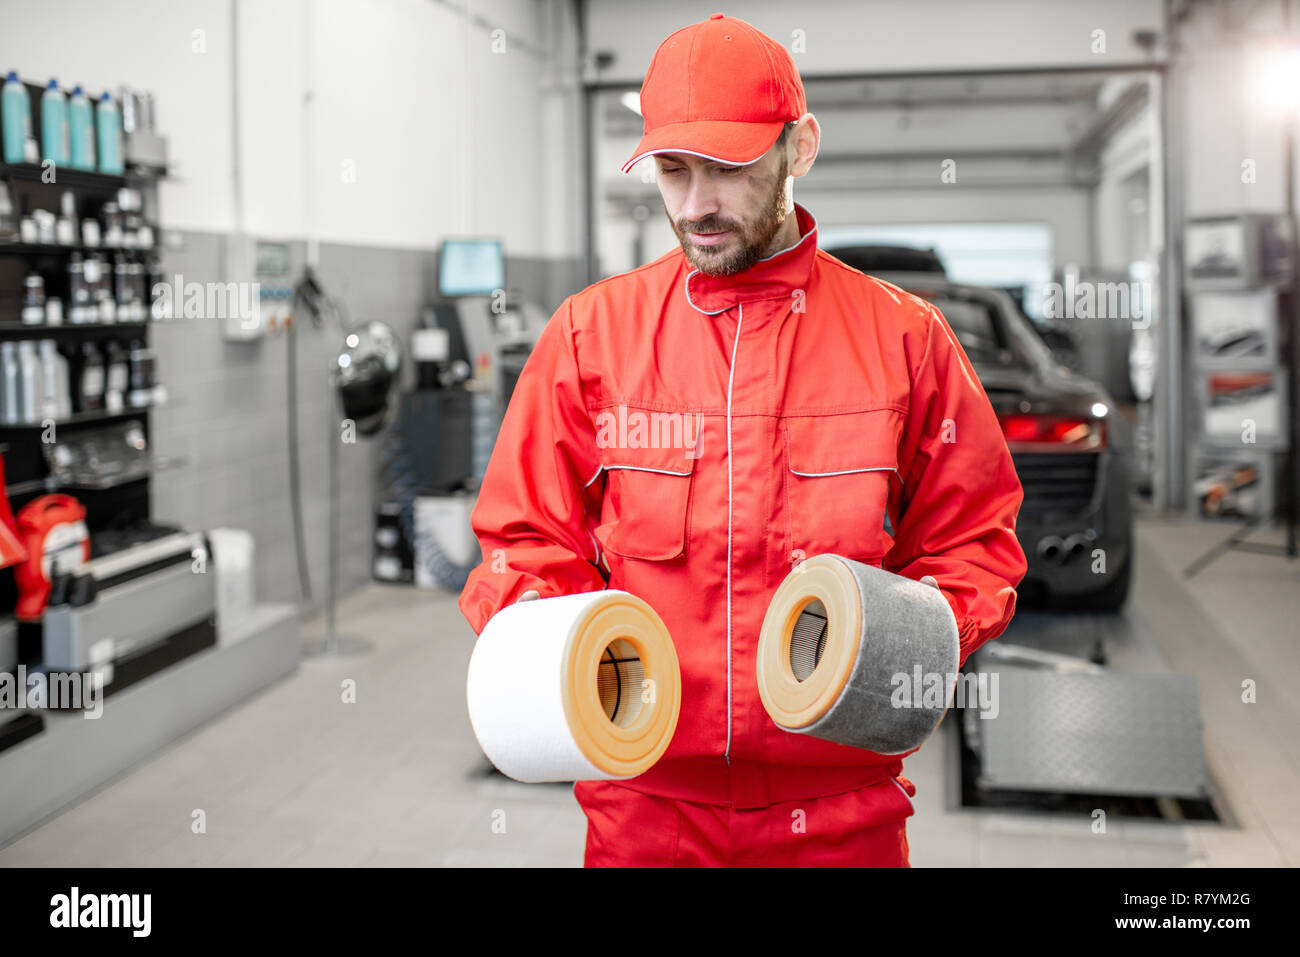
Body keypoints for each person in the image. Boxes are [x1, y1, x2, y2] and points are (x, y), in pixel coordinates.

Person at [458, 13, 1026, 867]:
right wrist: (553, 634)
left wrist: (896, 646)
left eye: (725, 169)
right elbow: (522, 538)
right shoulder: (592, 335)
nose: (695, 206)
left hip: (842, 814)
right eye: (673, 171)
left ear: (799, 148)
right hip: (646, 813)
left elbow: (973, 543)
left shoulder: (906, 340)